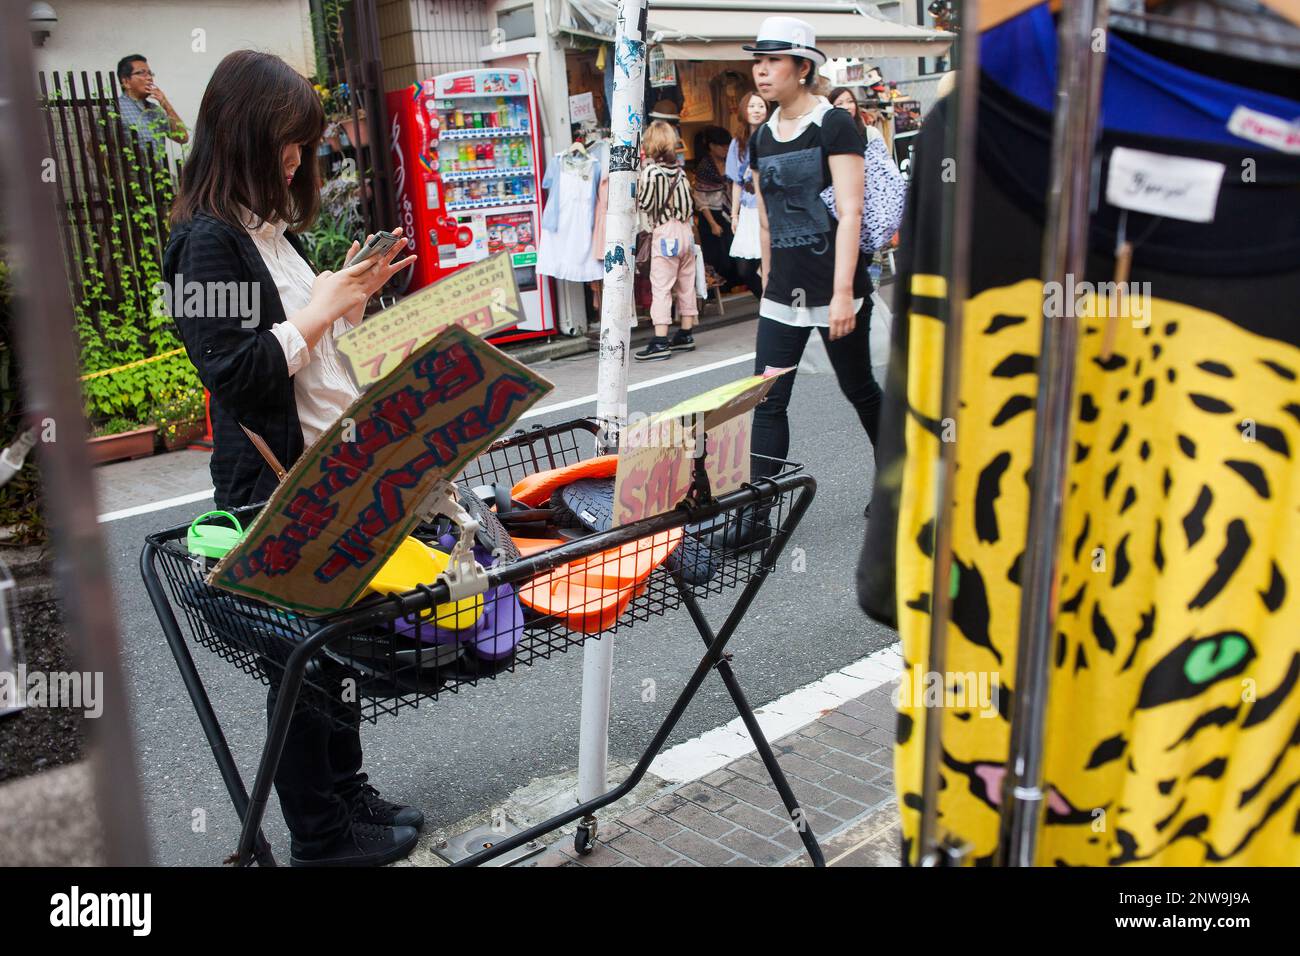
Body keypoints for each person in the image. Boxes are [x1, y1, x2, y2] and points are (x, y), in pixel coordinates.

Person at [162, 50, 420, 867]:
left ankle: (348, 795)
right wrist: (318, 312)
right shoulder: (202, 243)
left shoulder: (272, 233)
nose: (297, 158)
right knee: (300, 666)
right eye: (287, 140)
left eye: (304, 142)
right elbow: (232, 372)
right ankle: (321, 833)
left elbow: (309, 351)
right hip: (271, 489)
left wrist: (347, 300)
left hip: (329, 478)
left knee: (330, 653)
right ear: (241, 134)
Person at [745, 17, 882, 514]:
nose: (761, 71)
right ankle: (757, 516)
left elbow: (851, 211)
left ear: (803, 68)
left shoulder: (834, 125)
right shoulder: (762, 136)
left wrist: (843, 292)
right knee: (767, 400)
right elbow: (765, 219)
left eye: (773, 60)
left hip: (834, 284)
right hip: (783, 290)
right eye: (758, 61)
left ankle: (898, 482)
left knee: (859, 389)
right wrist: (767, 277)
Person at [635, 120, 698, 362]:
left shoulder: (651, 172)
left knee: (661, 287)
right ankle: (686, 333)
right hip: (685, 232)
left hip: (665, 233)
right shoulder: (680, 172)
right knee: (686, 284)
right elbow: (689, 205)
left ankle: (660, 340)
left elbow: (645, 204)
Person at [725, 91, 769, 299]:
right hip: (748, 209)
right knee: (744, 268)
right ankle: (767, 301)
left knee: (770, 263)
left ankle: (773, 304)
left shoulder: (773, 136)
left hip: (768, 207)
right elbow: (737, 181)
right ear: (744, 110)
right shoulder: (737, 143)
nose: (756, 110)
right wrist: (734, 215)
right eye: (752, 106)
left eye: (761, 106)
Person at [692, 125, 740, 295]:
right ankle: (718, 292)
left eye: (728, 146)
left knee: (733, 252)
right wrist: (713, 223)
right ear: (712, 146)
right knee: (717, 256)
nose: (726, 149)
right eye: (722, 146)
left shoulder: (731, 162)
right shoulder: (705, 167)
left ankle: (734, 286)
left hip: (730, 212)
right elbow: (700, 199)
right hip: (711, 215)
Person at [115, 55, 188, 150]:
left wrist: (165, 104)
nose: (149, 78)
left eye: (150, 73)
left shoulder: (155, 110)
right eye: (142, 73)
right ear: (126, 82)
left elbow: (183, 138)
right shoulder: (115, 108)